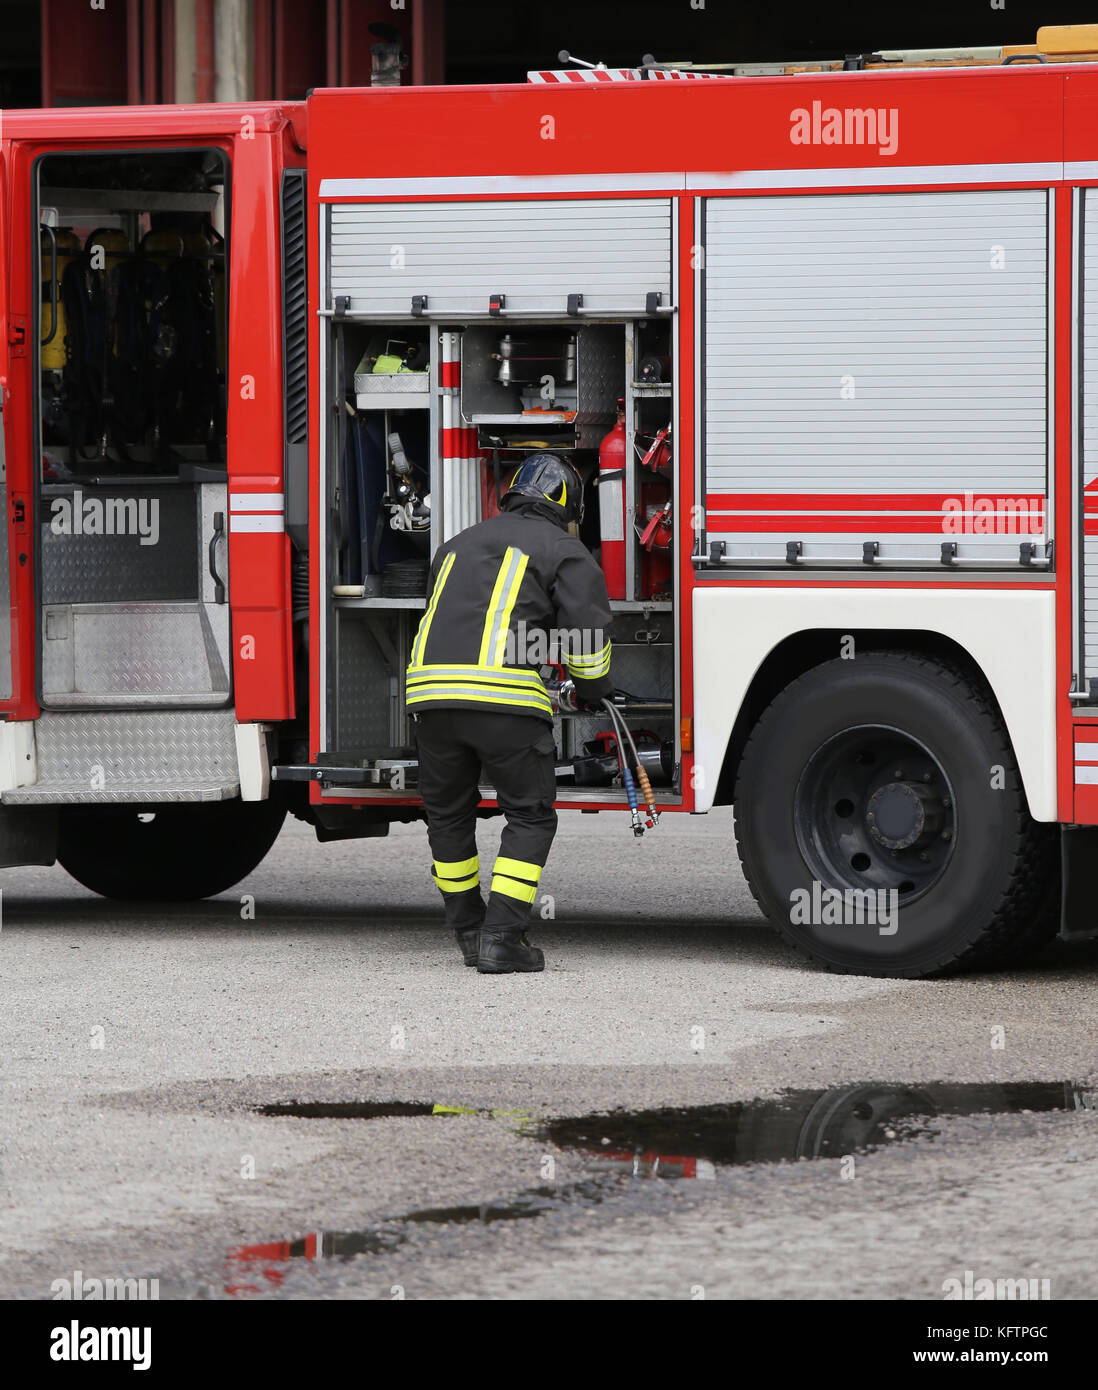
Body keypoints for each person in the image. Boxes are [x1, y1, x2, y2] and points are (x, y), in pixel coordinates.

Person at [406, 453, 613, 973]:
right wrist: (595, 689)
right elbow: (586, 646)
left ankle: (469, 930)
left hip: (431, 700)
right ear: (569, 507)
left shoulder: (455, 545)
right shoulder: (566, 550)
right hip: (505, 703)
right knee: (528, 814)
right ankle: (503, 937)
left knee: (449, 816)